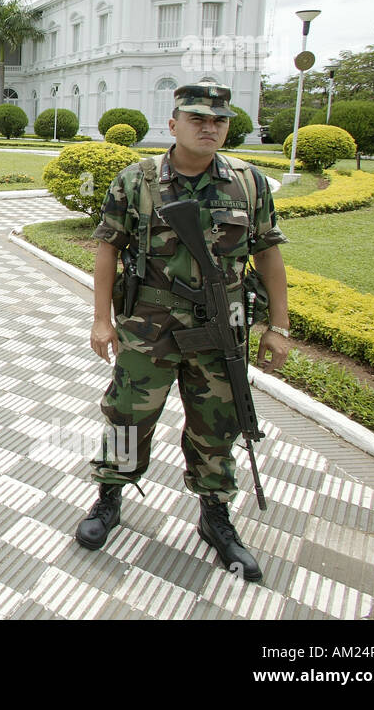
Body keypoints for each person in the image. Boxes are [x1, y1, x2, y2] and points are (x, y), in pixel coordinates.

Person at [78, 80, 293, 582]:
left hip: (222, 328)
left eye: (218, 121)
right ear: (172, 124)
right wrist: (101, 319)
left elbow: (268, 253)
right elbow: (108, 248)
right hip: (148, 326)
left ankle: (215, 515)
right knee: (129, 415)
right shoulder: (137, 180)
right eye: (197, 119)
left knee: (218, 423)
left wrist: (277, 326)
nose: (209, 128)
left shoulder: (249, 183)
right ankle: (110, 496)